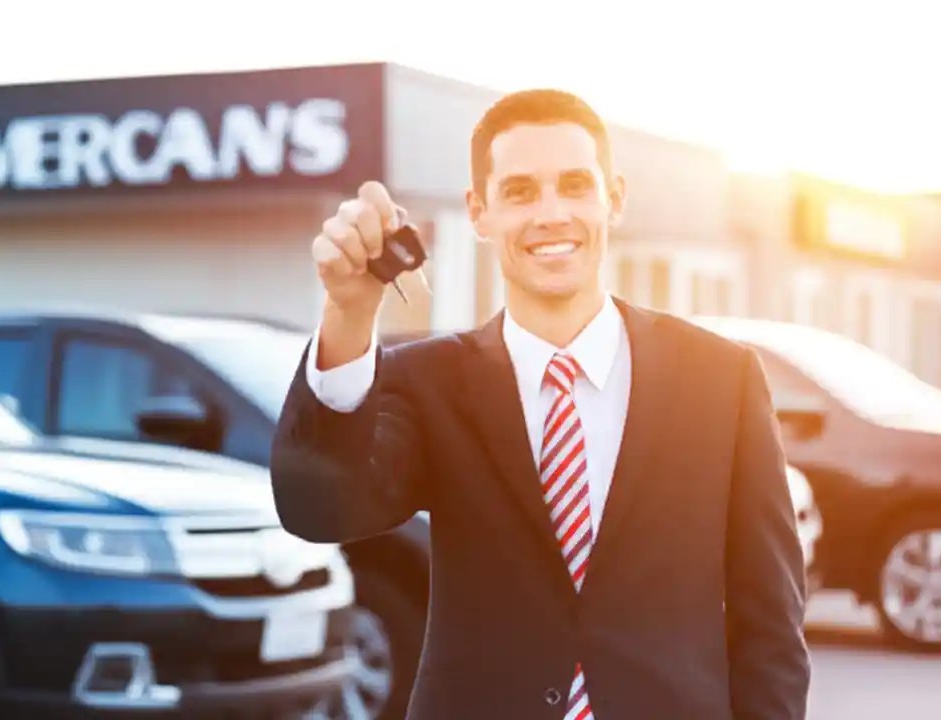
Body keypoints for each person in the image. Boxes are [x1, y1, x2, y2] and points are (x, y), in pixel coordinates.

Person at [270, 88, 810, 720]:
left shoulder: (722, 380)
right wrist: (348, 315)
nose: (551, 214)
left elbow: (770, 626)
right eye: (521, 191)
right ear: (479, 213)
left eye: (575, 186)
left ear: (614, 198)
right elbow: (319, 509)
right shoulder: (428, 381)